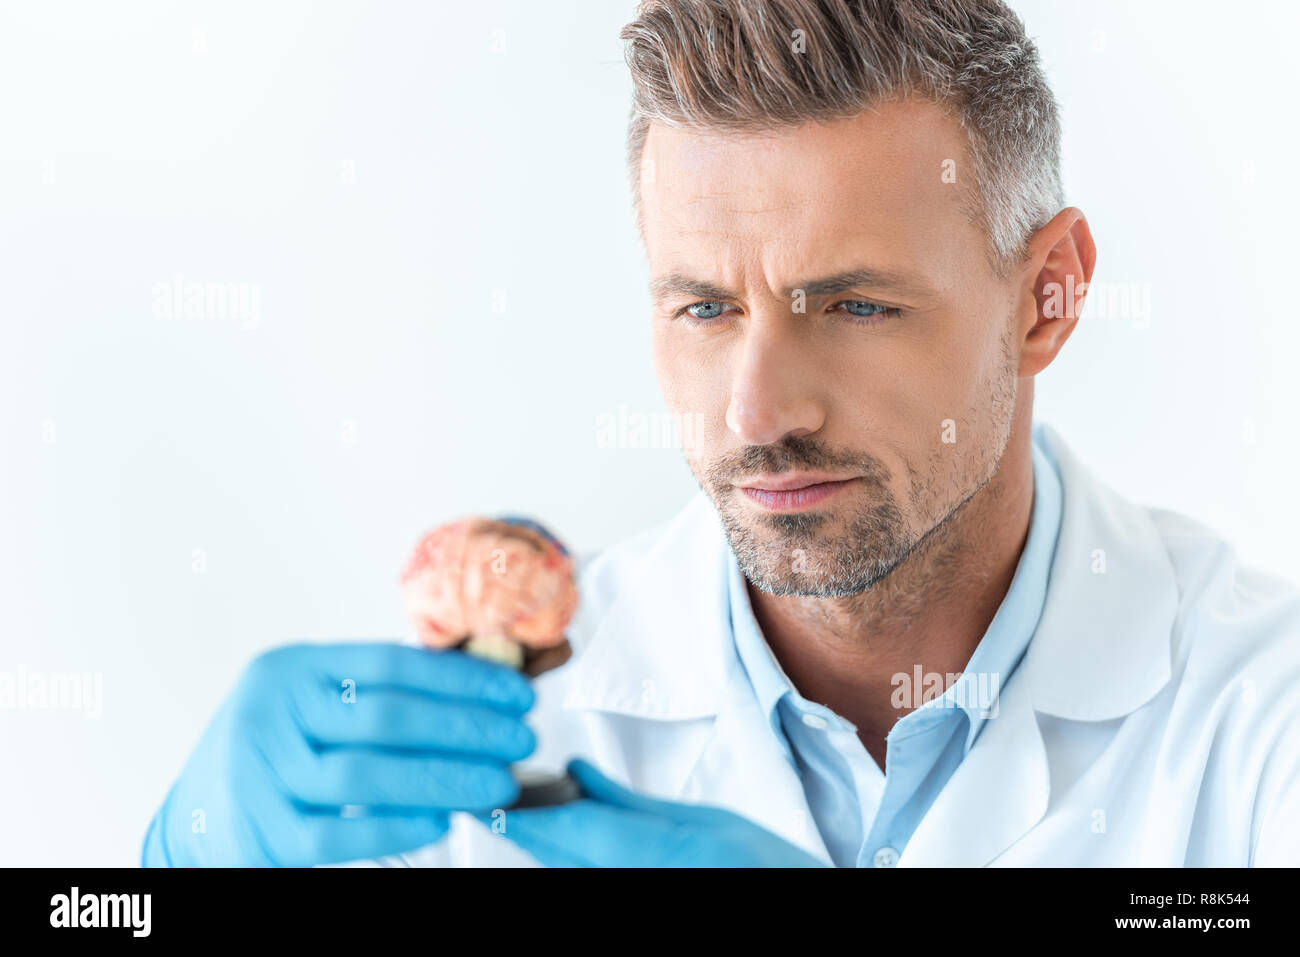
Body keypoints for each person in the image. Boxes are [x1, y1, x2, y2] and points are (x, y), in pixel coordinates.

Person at [142, 0, 1300, 868]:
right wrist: (169, 867)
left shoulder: (1257, 722)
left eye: (853, 306)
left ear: (1046, 295)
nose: (756, 415)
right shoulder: (508, 734)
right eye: (704, 307)